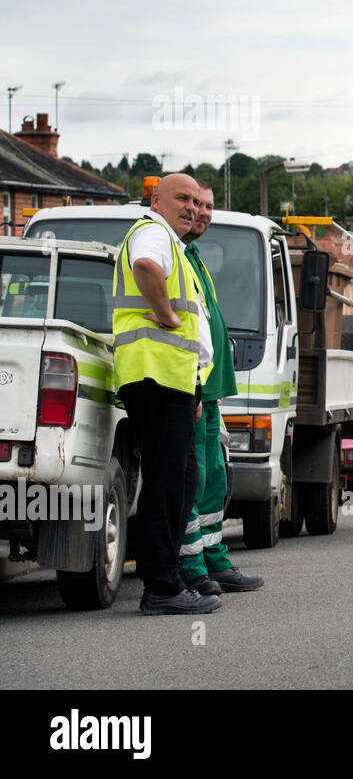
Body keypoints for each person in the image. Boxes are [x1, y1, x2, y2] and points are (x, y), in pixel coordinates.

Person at [112, 174, 219, 615]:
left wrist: (193, 389)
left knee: (180, 480)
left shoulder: (172, 242)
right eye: (182, 198)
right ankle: (160, 586)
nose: (193, 208)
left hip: (173, 381)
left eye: (197, 201)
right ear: (156, 199)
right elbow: (144, 269)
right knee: (165, 482)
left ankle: (167, 579)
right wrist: (168, 315)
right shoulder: (153, 232)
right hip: (154, 376)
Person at [180, 183, 264, 596]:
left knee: (213, 476)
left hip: (208, 391)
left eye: (208, 206)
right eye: (194, 204)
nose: (202, 212)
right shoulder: (175, 254)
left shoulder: (194, 256)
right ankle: (192, 566)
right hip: (189, 389)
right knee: (192, 480)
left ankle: (213, 559)